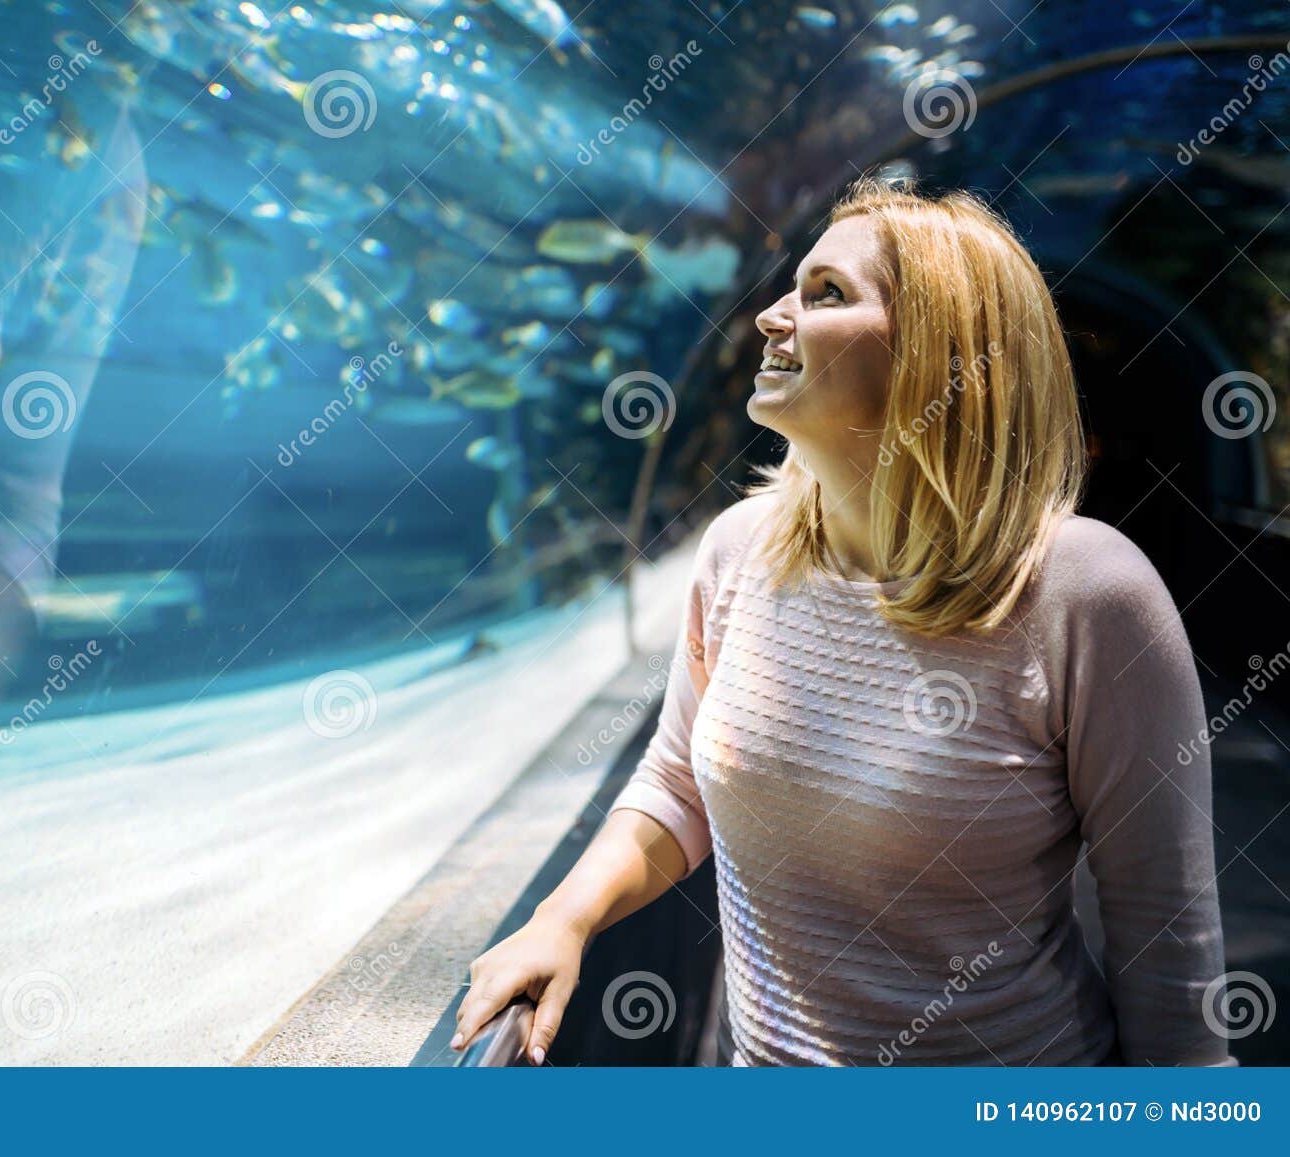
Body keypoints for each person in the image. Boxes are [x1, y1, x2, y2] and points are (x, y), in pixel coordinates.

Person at [449, 176, 1237, 1067]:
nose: (771, 318)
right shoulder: (739, 549)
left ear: (944, 356)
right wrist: (563, 920)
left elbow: (1164, 943)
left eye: (825, 294)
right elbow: (675, 785)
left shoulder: (1086, 590)